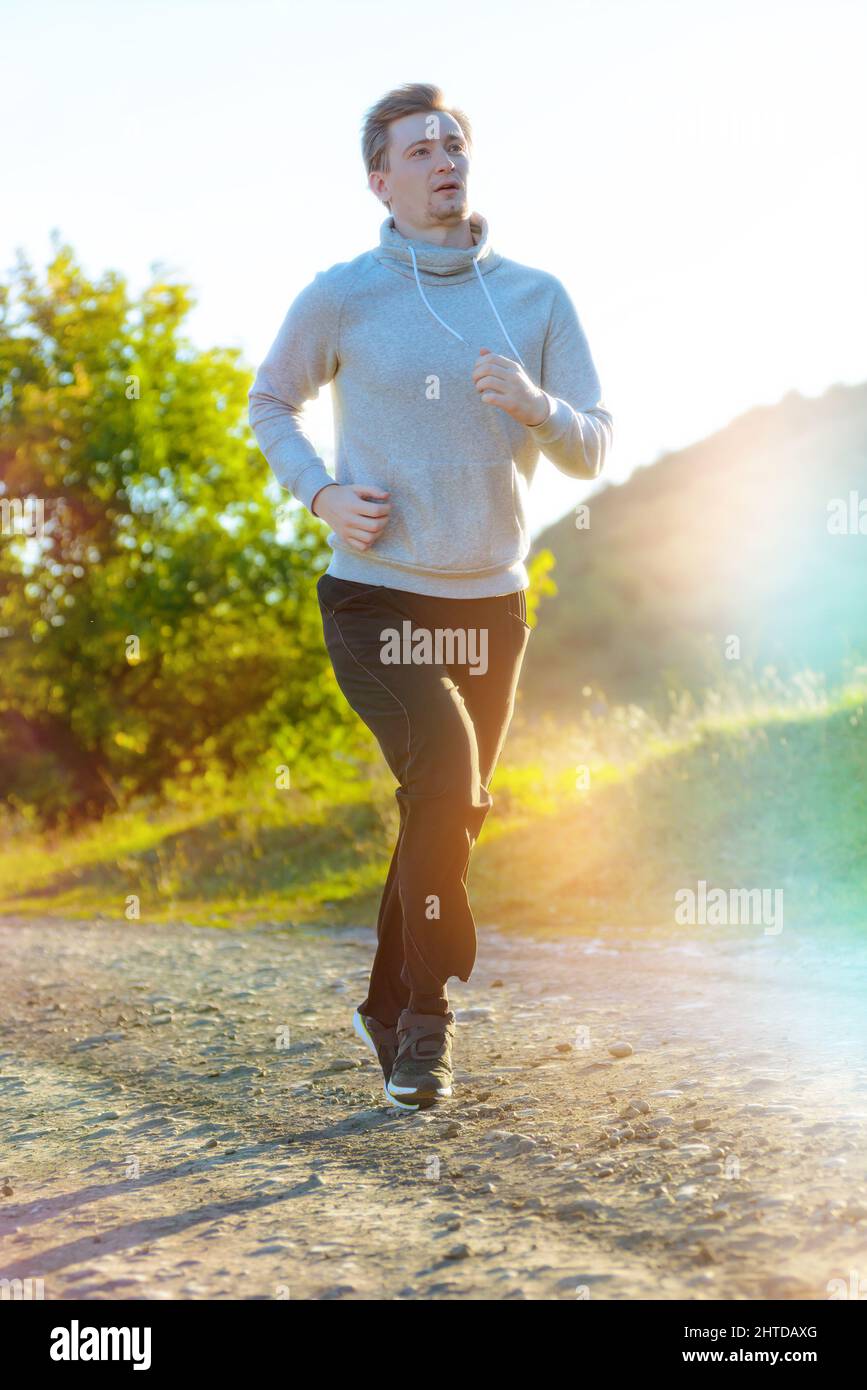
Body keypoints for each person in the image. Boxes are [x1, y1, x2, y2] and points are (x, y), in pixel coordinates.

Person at [249, 83, 612, 1110]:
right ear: (381, 178)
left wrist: (535, 407)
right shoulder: (343, 294)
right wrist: (320, 493)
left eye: (454, 142)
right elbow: (269, 397)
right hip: (375, 598)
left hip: (492, 606)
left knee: (443, 816)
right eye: (419, 149)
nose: (443, 158)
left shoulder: (535, 298)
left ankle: (382, 998)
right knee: (447, 776)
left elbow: (591, 444)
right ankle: (428, 1027)